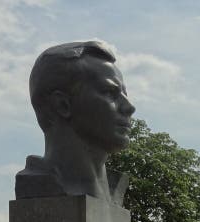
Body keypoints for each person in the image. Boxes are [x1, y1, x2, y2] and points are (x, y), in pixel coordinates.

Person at [15, 40, 136, 203]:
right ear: (62, 105)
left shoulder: (116, 189)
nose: (129, 107)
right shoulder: (39, 185)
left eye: (124, 94)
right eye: (109, 93)